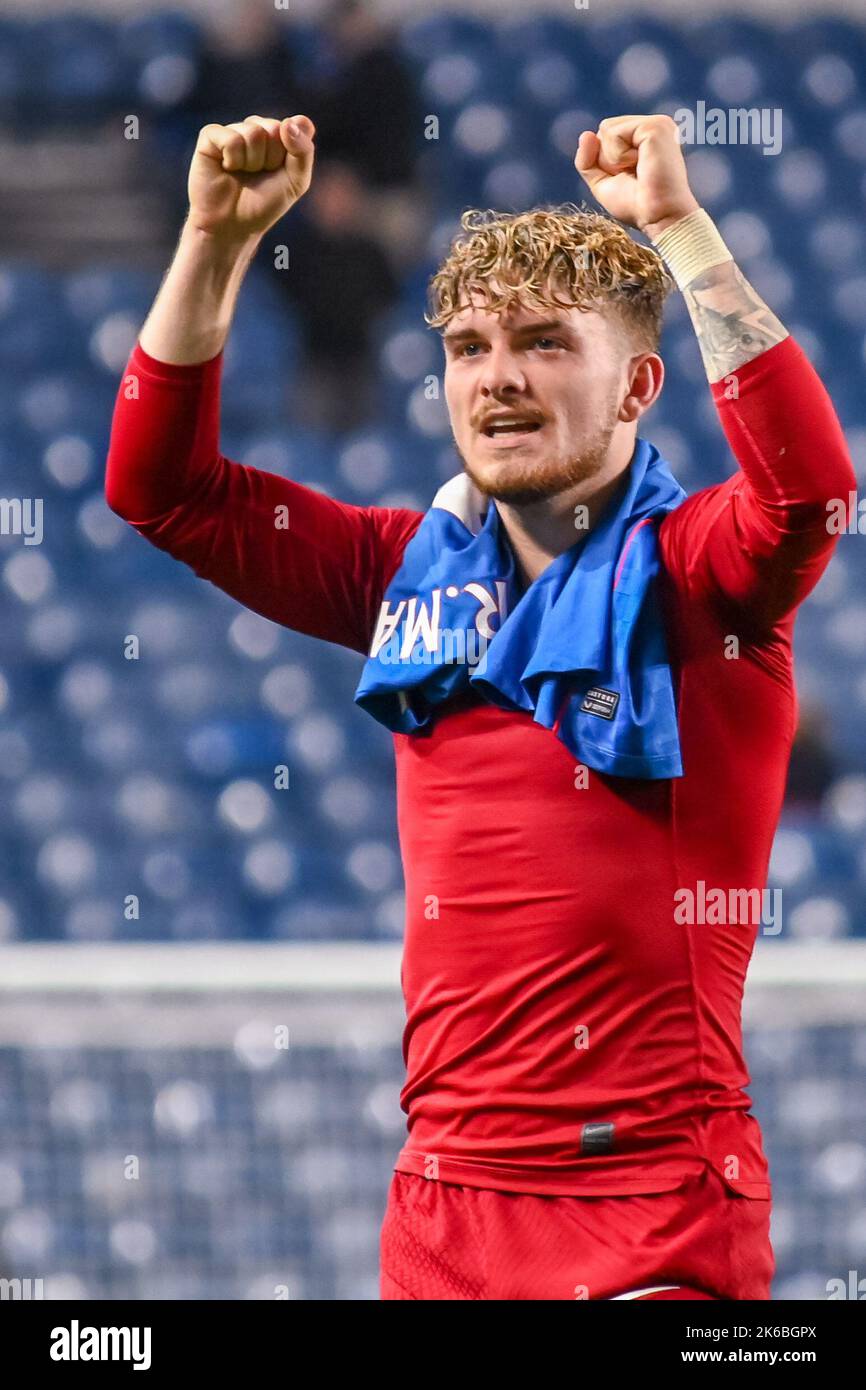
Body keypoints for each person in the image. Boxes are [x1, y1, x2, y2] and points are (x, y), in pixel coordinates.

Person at [105, 113, 855, 1300]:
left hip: (650, 1212)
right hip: (441, 1215)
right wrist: (213, 241)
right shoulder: (401, 571)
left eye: (545, 342)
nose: (495, 374)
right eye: (465, 346)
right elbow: (160, 488)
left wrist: (675, 227)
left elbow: (809, 490)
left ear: (636, 387)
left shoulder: (696, 573)